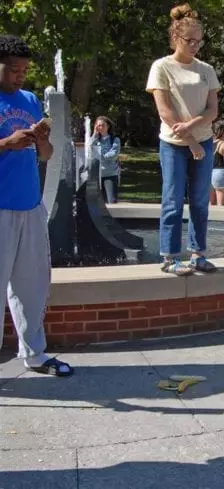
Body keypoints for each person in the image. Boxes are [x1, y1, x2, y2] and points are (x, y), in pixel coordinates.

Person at [0, 34, 73, 377]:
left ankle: (35, 353)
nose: (20, 75)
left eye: (24, 69)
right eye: (14, 69)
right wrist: (5, 143)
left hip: (29, 206)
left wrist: (42, 141)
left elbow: (44, 156)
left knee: (31, 285)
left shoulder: (29, 100)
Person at [146, 3, 220, 276]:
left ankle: (198, 254)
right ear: (176, 38)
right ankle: (170, 256)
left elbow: (213, 110)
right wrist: (191, 141)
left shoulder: (207, 70)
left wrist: (193, 127)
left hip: (204, 141)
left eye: (199, 42)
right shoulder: (161, 67)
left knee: (201, 201)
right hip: (174, 144)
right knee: (173, 200)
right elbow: (165, 112)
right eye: (190, 41)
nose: (195, 46)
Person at [90, 115, 122, 204]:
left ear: (108, 126)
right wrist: (94, 134)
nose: (100, 127)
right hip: (97, 176)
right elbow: (89, 149)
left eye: (102, 125)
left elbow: (113, 155)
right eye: (98, 125)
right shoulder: (95, 139)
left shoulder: (115, 140)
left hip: (110, 175)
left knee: (111, 202)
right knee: (100, 205)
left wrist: (100, 156)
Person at [209, 121, 224, 206]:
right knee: (222, 206)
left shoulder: (209, 144)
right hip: (222, 174)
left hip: (209, 174)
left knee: (211, 205)